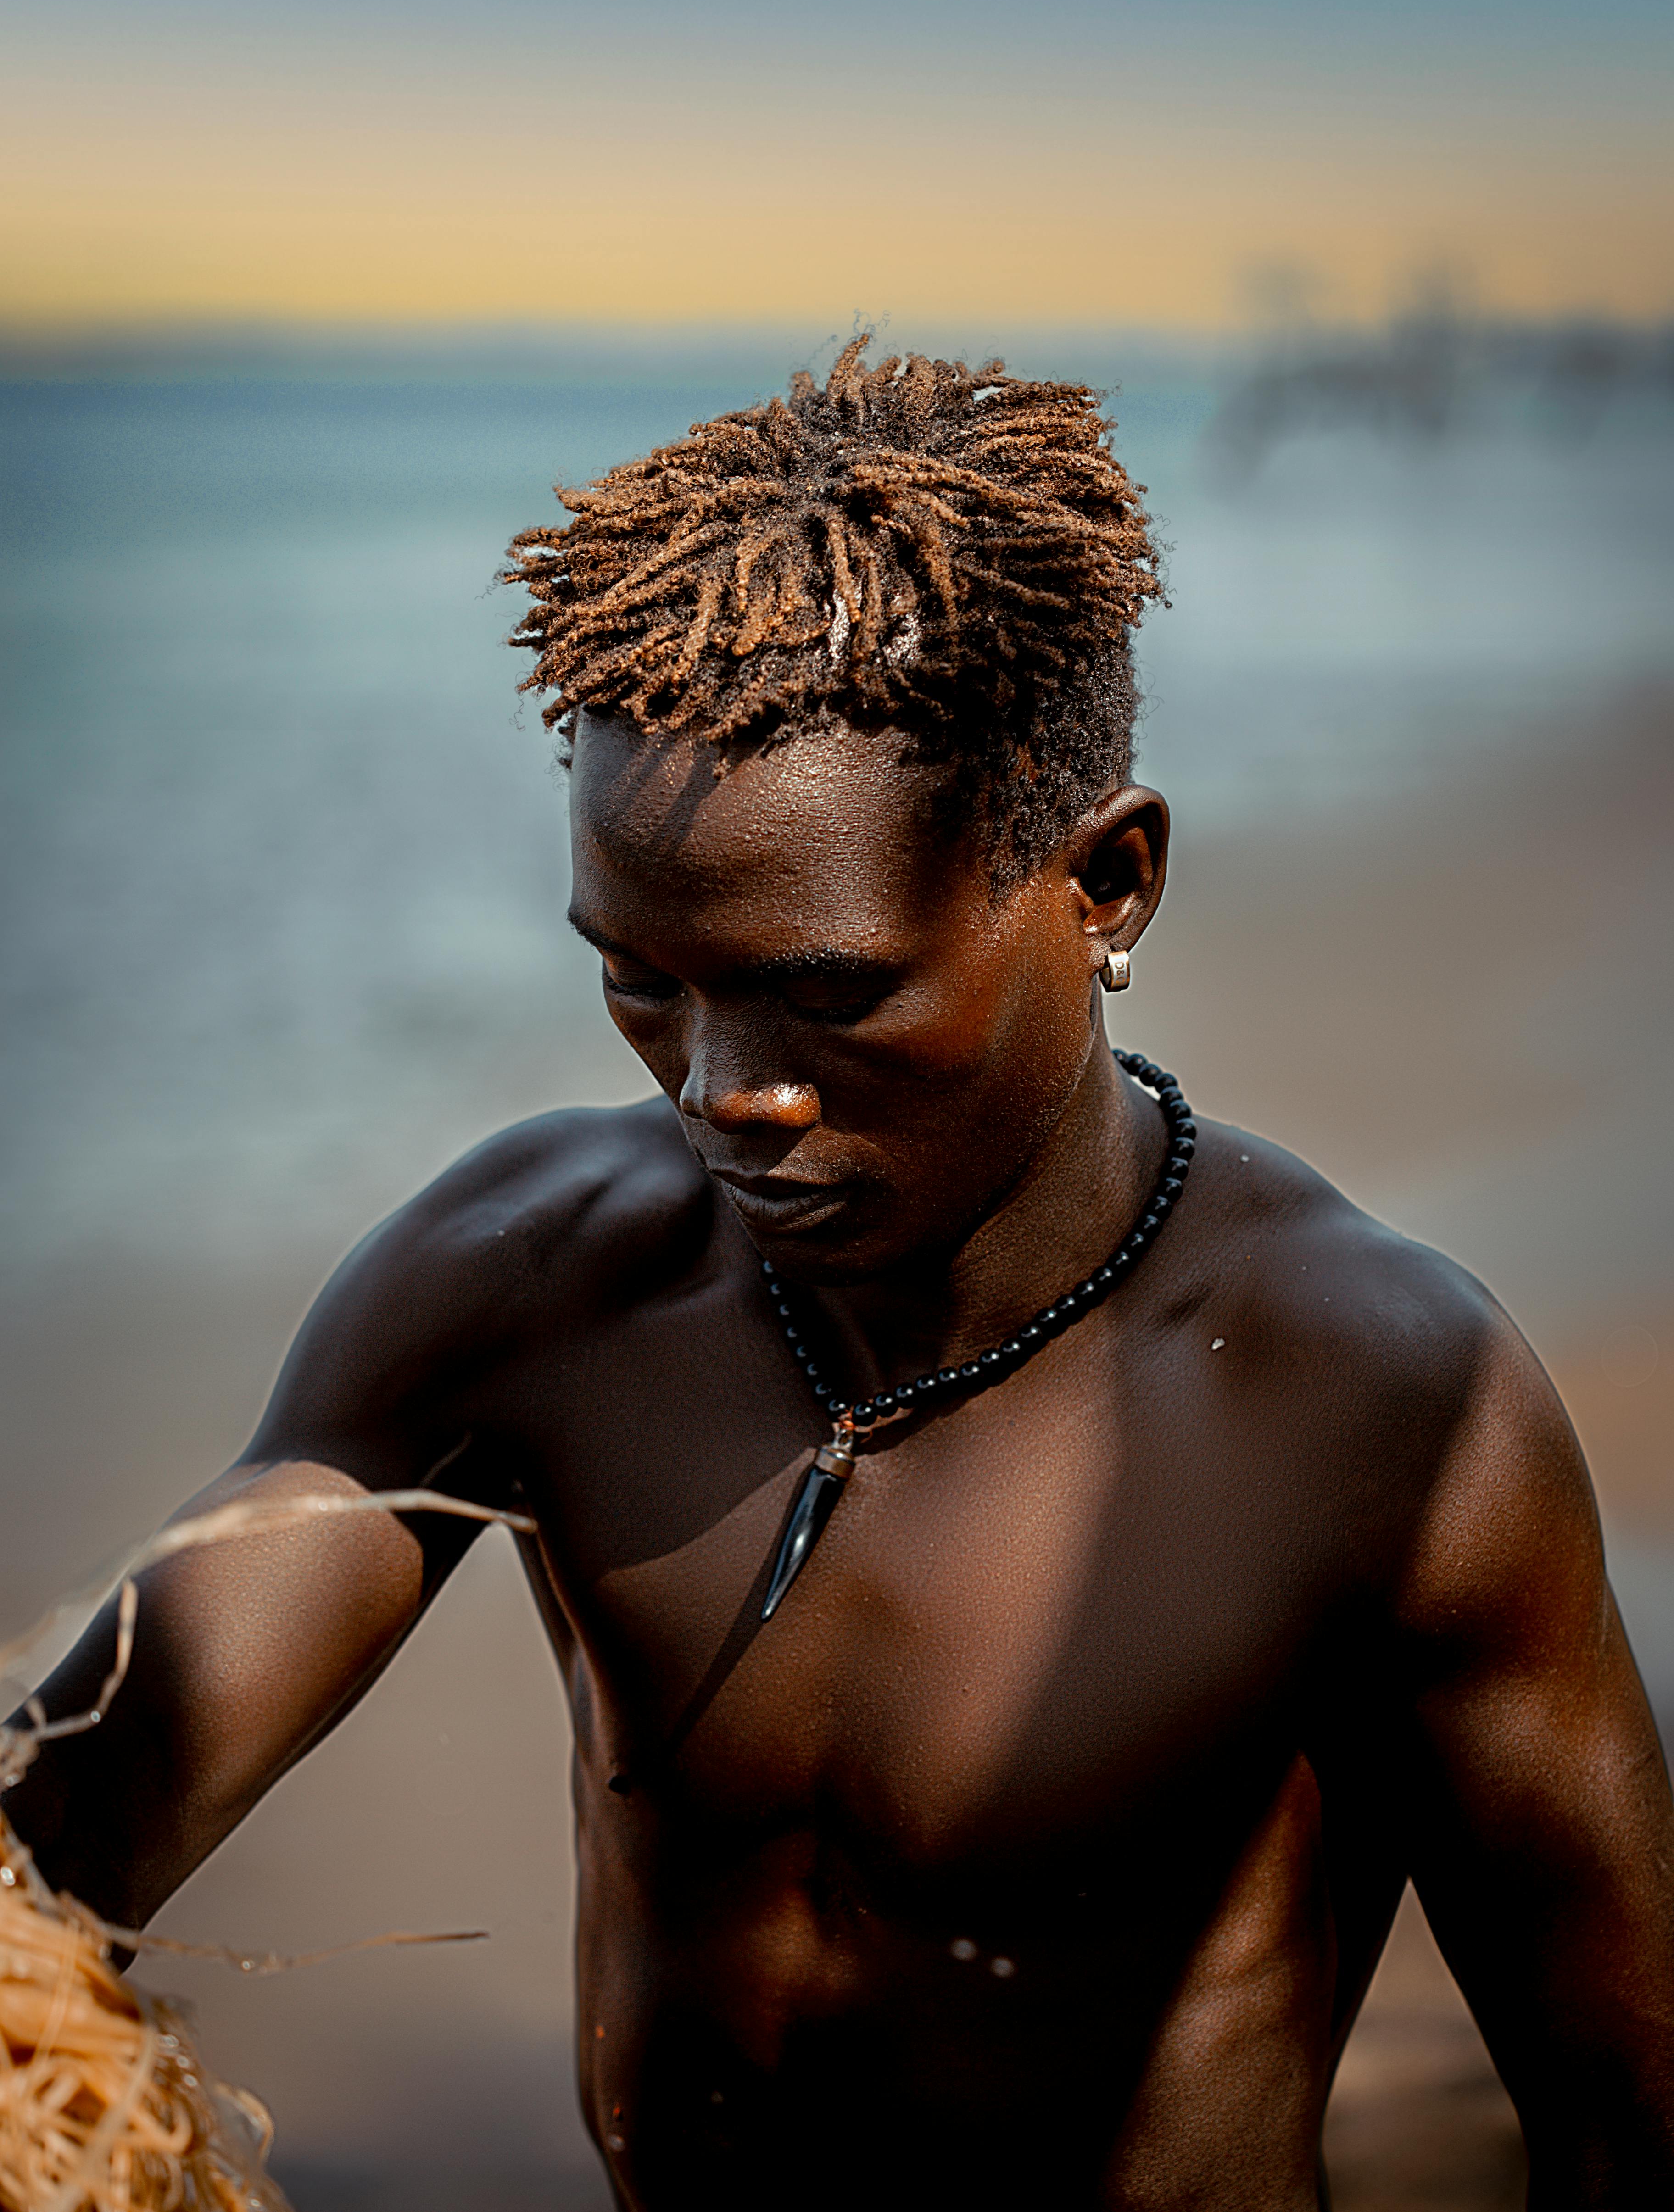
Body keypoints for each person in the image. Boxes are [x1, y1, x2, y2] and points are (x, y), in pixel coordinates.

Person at [7, 338, 1672, 2208]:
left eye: (831, 991)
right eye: (642, 977)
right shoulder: (528, 1293)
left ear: (1107, 884)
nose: (724, 1091)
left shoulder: (1374, 1408)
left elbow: (1628, 2113)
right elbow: (63, 1839)